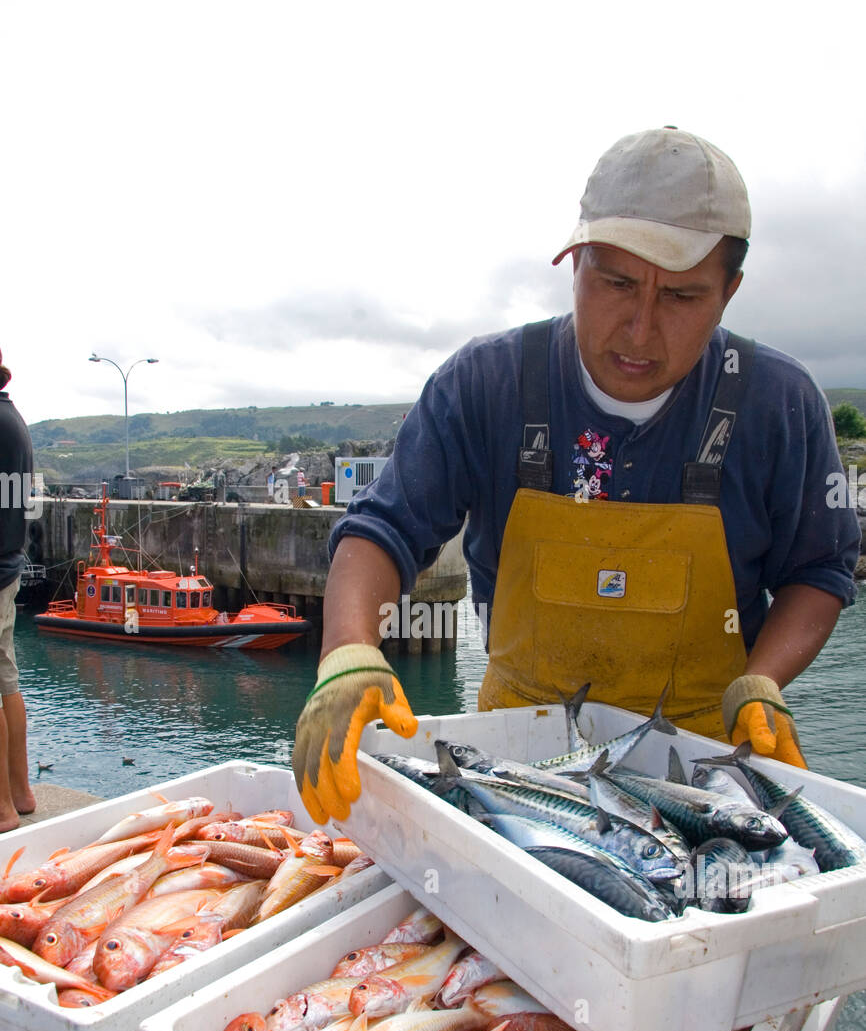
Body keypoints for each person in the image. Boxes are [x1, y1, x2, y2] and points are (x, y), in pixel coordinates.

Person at [293, 127, 860, 825]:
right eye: (617, 282)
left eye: (681, 297)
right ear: (574, 262)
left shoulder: (779, 402)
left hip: (704, 781)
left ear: (729, 291)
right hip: (514, 771)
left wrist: (763, 679)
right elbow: (382, 530)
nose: (640, 328)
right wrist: (349, 648)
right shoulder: (487, 383)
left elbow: (820, 568)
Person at [0, 349, 36, 831]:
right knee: (6, 675)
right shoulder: (13, 420)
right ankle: (21, 794)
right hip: (7, 563)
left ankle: (3, 809)